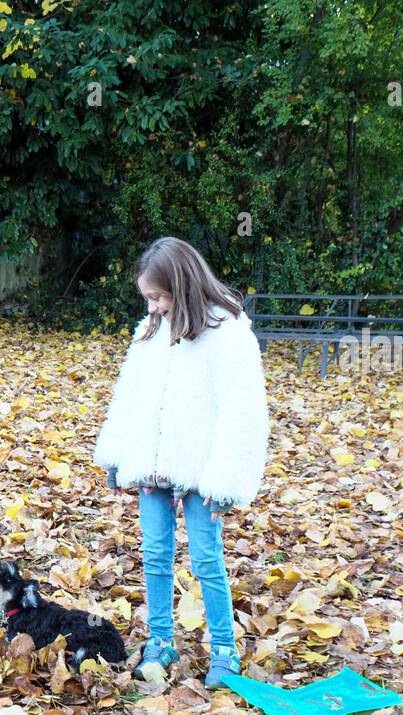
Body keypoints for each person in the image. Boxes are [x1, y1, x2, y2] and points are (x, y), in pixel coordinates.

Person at [93, 236, 269, 688]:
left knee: (206, 558)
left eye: (157, 297)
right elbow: (130, 398)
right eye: (147, 298)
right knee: (154, 554)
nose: (151, 307)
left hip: (200, 468)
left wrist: (225, 478)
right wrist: (117, 454)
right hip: (152, 466)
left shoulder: (227, 334)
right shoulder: (150, 333)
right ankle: (160, 641)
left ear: (182, 285)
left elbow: (242, 410)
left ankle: (225, 650)